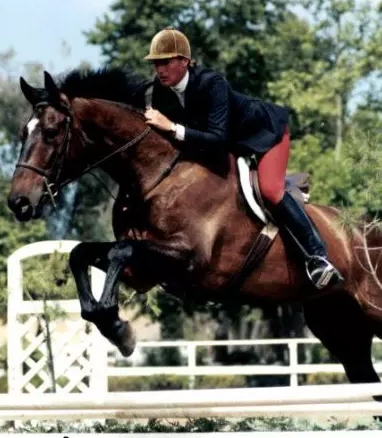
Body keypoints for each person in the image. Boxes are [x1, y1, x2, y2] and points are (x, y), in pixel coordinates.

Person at [141, 27, 344, 290]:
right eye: (156, 63)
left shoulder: (211, 83)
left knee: (270, 190)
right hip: (231, 145)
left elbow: (216, 138)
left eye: (165, 62)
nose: (160, 69)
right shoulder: (161, 90)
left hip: (264, 135)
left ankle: (318, 257)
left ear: (184, 61)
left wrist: (172, 128)